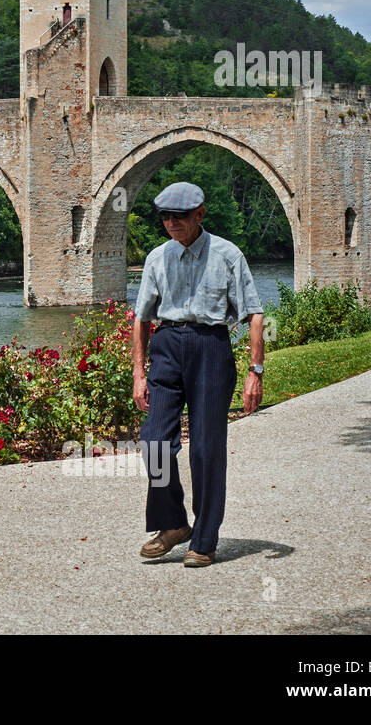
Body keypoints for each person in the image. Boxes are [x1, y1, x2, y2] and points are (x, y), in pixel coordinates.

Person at [131, 181, 265, 567]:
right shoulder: (158, 258)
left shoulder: (227, 255)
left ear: (200, 215)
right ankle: (173, 523)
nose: (172, 223)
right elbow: (141, 318)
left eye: (180, 216)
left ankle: (204, 539)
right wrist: (139, 374)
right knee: (153, 441)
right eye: (166, 217)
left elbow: (254, 312)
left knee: (206, 450)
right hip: (168, 346)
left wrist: (255, 371)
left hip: (211, 348)